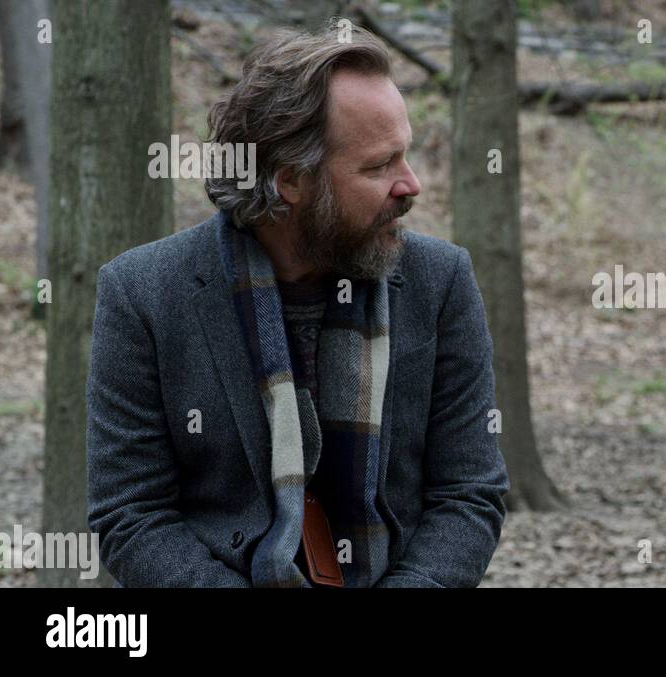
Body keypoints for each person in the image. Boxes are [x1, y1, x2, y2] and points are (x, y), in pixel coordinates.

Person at [86, 27, 509, 587]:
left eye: (404, 156)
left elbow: (468, 493)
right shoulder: (143, 294)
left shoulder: (441, 282)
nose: (411, 185)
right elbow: (130, 514)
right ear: (290, 180)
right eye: (379, 166)